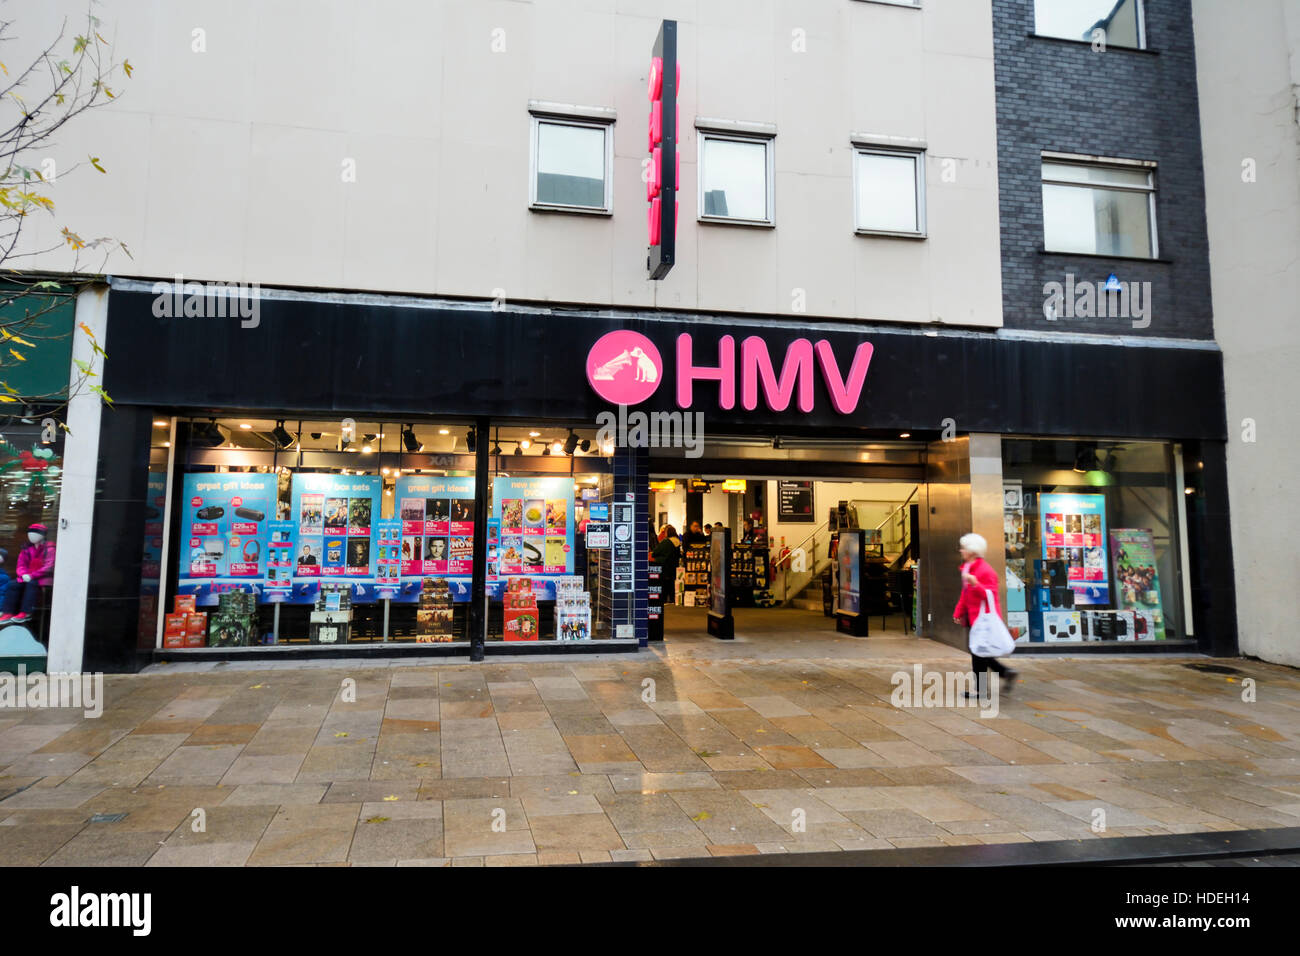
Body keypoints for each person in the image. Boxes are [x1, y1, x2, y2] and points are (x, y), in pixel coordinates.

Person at [952, 532, 1018, 697]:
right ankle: (1004, 673)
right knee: (978, 651)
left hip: (984, 619)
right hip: (974, 617)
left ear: (973, 551)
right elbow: (965, 594)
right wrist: (959, 611)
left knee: (978, 652)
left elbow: (990, 595)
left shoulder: (985, 571)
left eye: (964, 548)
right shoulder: (968, 568)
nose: (961, 551)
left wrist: (976, 584)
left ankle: (983, 688)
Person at [0, 523, 56, 624]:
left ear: (43, 535)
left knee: (31, 584)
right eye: (30, 533)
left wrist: (32, 576)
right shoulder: (26, 549)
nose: (31, 536)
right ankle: (7, 612)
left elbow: (49, 566)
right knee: (13, 584)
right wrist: (24, 574)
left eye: (35, 533)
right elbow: (21, 564)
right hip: (27, 577)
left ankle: (26, 612)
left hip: (42, 578)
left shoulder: (50, 548)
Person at [651, 525, 682, 600]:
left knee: (664, 584)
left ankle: (664, 599)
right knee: (672, 583)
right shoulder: (678, 542)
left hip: (664, 566)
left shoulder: (666, 542)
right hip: (674, 566)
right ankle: (672, 599)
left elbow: (655, 552)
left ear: (668, 533)